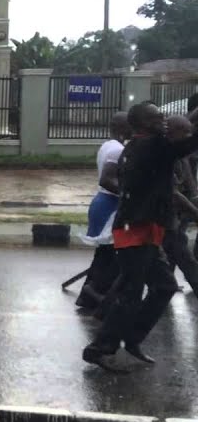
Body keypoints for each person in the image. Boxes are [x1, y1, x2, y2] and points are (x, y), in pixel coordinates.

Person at [83, 102, 198, 372]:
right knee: (130, 293)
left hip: (147, 230)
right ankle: (100, 349)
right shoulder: (150, 146)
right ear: (143, 123)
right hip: (134, 231)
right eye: (157, 117)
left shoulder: (143, 146)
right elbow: (189, 142)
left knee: (164, 287)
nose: (163, 120)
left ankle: (132, 339)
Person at [76, 112, 130, 311]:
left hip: (105, 203)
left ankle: (88, 298)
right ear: (123, 127)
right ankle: (96, 295)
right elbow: (106, 180)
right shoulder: (117, 150)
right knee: (110, 256)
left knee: (104, 255)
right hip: (110, 206)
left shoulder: (108, 145)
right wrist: (129, 194)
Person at [162, 116, 198, 293]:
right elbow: (173, 194)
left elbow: (188, 180)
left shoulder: (178, 153)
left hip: (170, 218)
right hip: (163, 219)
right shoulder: (167, 155)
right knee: (185, 259)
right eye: (186, 133)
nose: (189, 136)